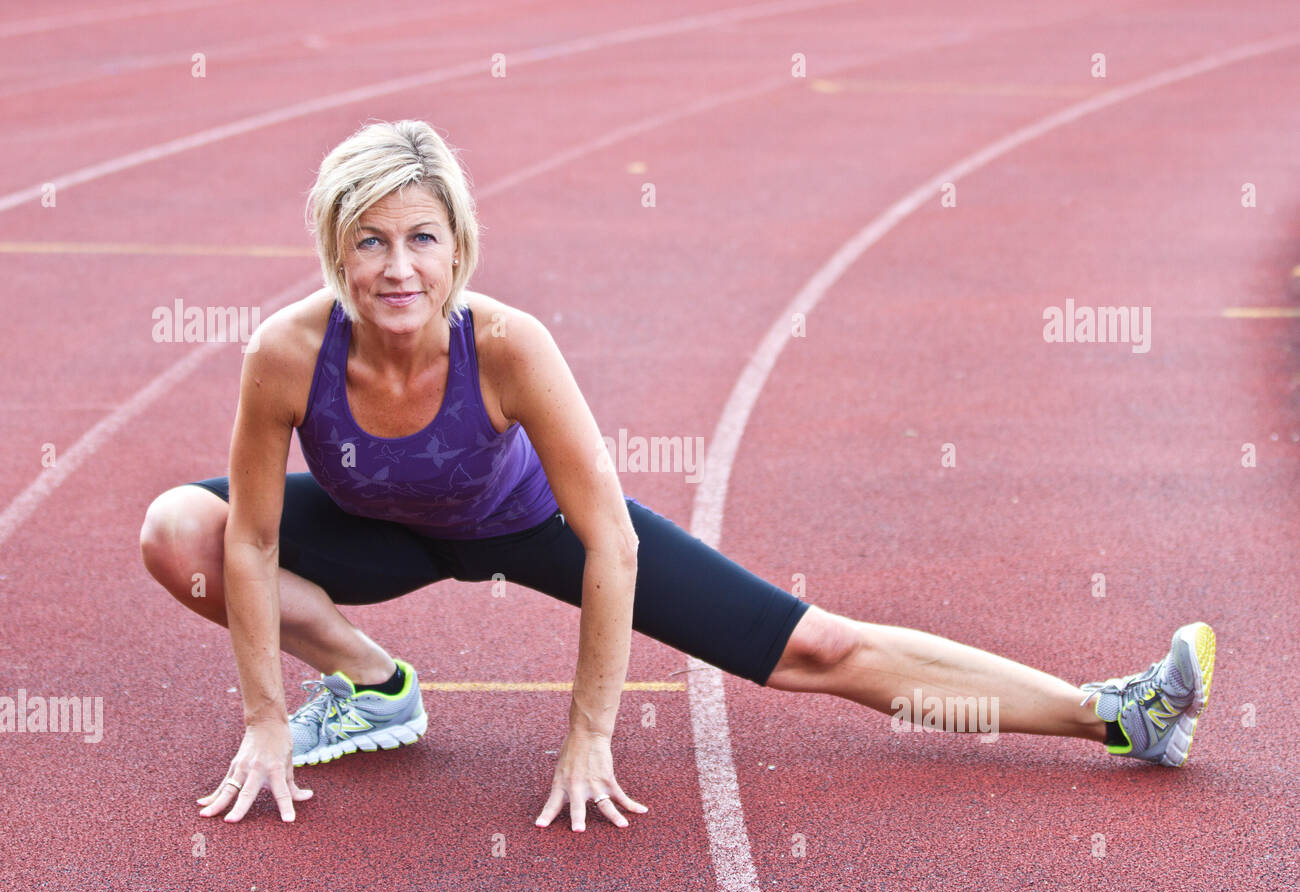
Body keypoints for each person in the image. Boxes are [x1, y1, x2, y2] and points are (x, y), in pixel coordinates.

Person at [138, 120, 1217, 832]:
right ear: (334, 246)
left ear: (460, 245)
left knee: (817, 648)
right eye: (368, 241)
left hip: (524, 524)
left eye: (422, 237)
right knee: (177, 530)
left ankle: (1112, 715)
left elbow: (610, 540)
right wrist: (265, 717)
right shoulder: (286, 352)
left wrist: (589, 734)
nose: (398, 267)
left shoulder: (509, 346)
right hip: (374, 530)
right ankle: (371, 687)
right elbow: (251, 539)